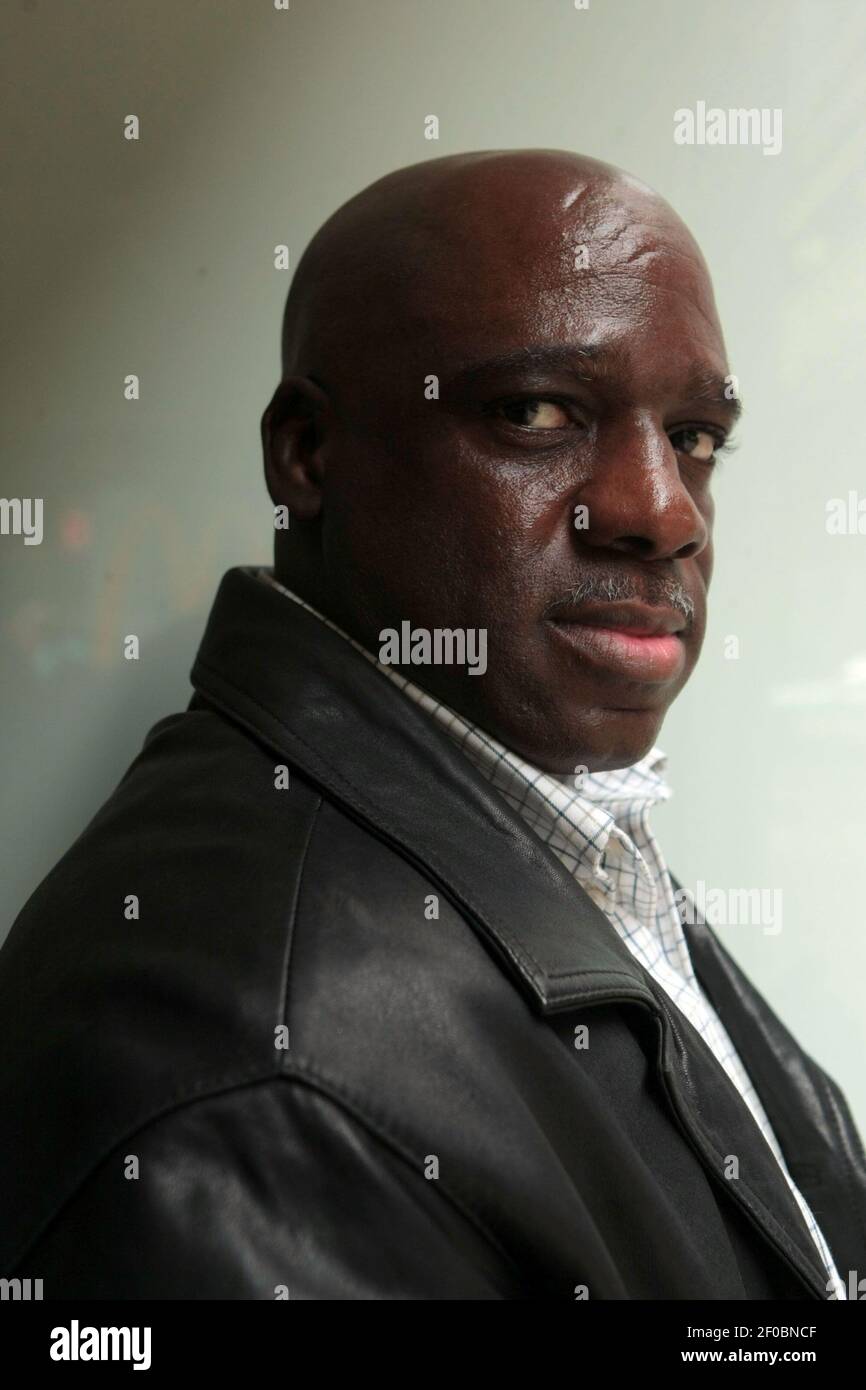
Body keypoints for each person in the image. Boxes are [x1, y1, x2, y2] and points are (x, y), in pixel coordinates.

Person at [2, 149, 864, 1300]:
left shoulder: (538, 817)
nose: (661, 511)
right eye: (534, 412)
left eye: (696, 436)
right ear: (308, 454)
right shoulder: (262, 1065)